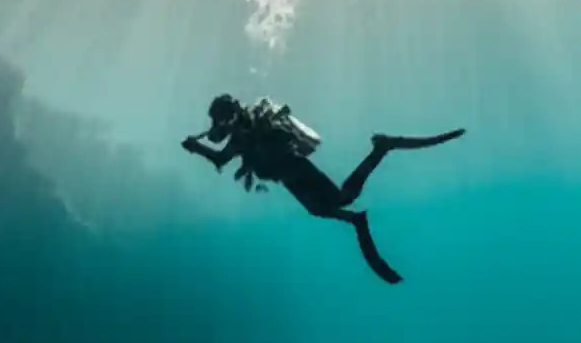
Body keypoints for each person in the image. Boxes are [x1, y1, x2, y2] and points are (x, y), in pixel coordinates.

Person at [181, 94, 464, 284]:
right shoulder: (239, 139)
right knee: (320, 210)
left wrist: (197, 147)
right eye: (218, 122)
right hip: (289, 179)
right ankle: (356, 219)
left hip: (298, 169)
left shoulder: (253, 127)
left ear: (231, 114)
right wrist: (197, 148)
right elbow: (220, 158)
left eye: (222, 119)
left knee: (343, 197)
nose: (220, 125)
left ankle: (381, 149)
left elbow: (222, 156)